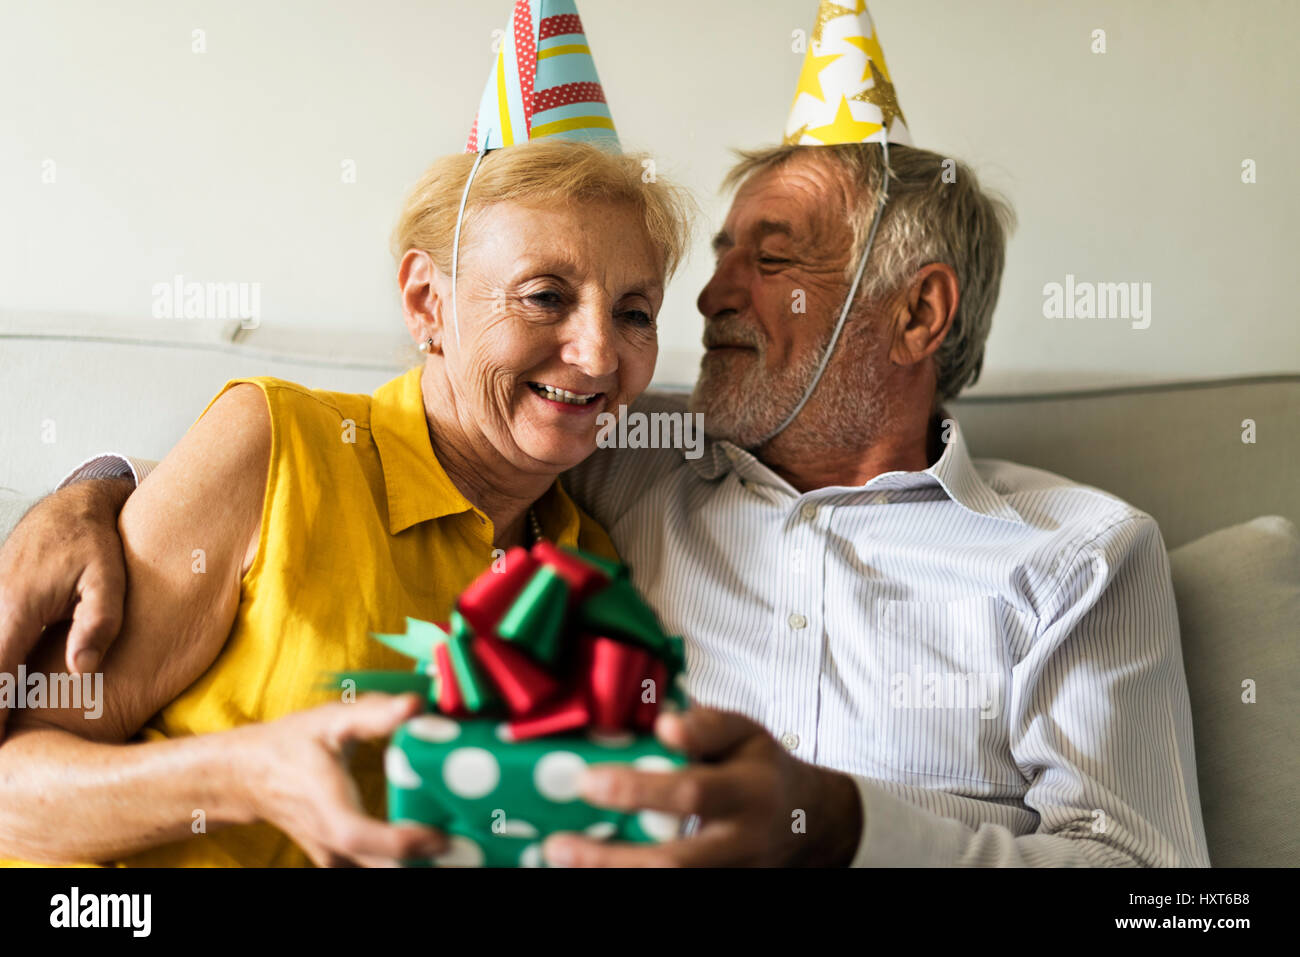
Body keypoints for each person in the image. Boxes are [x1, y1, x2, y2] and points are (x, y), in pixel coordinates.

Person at [0, 1, 1211, 867]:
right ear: (425, 296)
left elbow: (1159, 896)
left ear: (917, 311)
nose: (688, 310)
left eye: (767, 259)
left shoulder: (1077, 556)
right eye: (548, 296)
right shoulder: (588, 470)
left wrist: (838, 826)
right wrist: (91, 493)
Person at [0, 133, 693, 867]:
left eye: (634, 313)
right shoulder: (277, 444)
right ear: (427, 302)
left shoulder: (593, 570)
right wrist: (244, 775)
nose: (598, 355)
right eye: (545, 296)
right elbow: (16, 788)